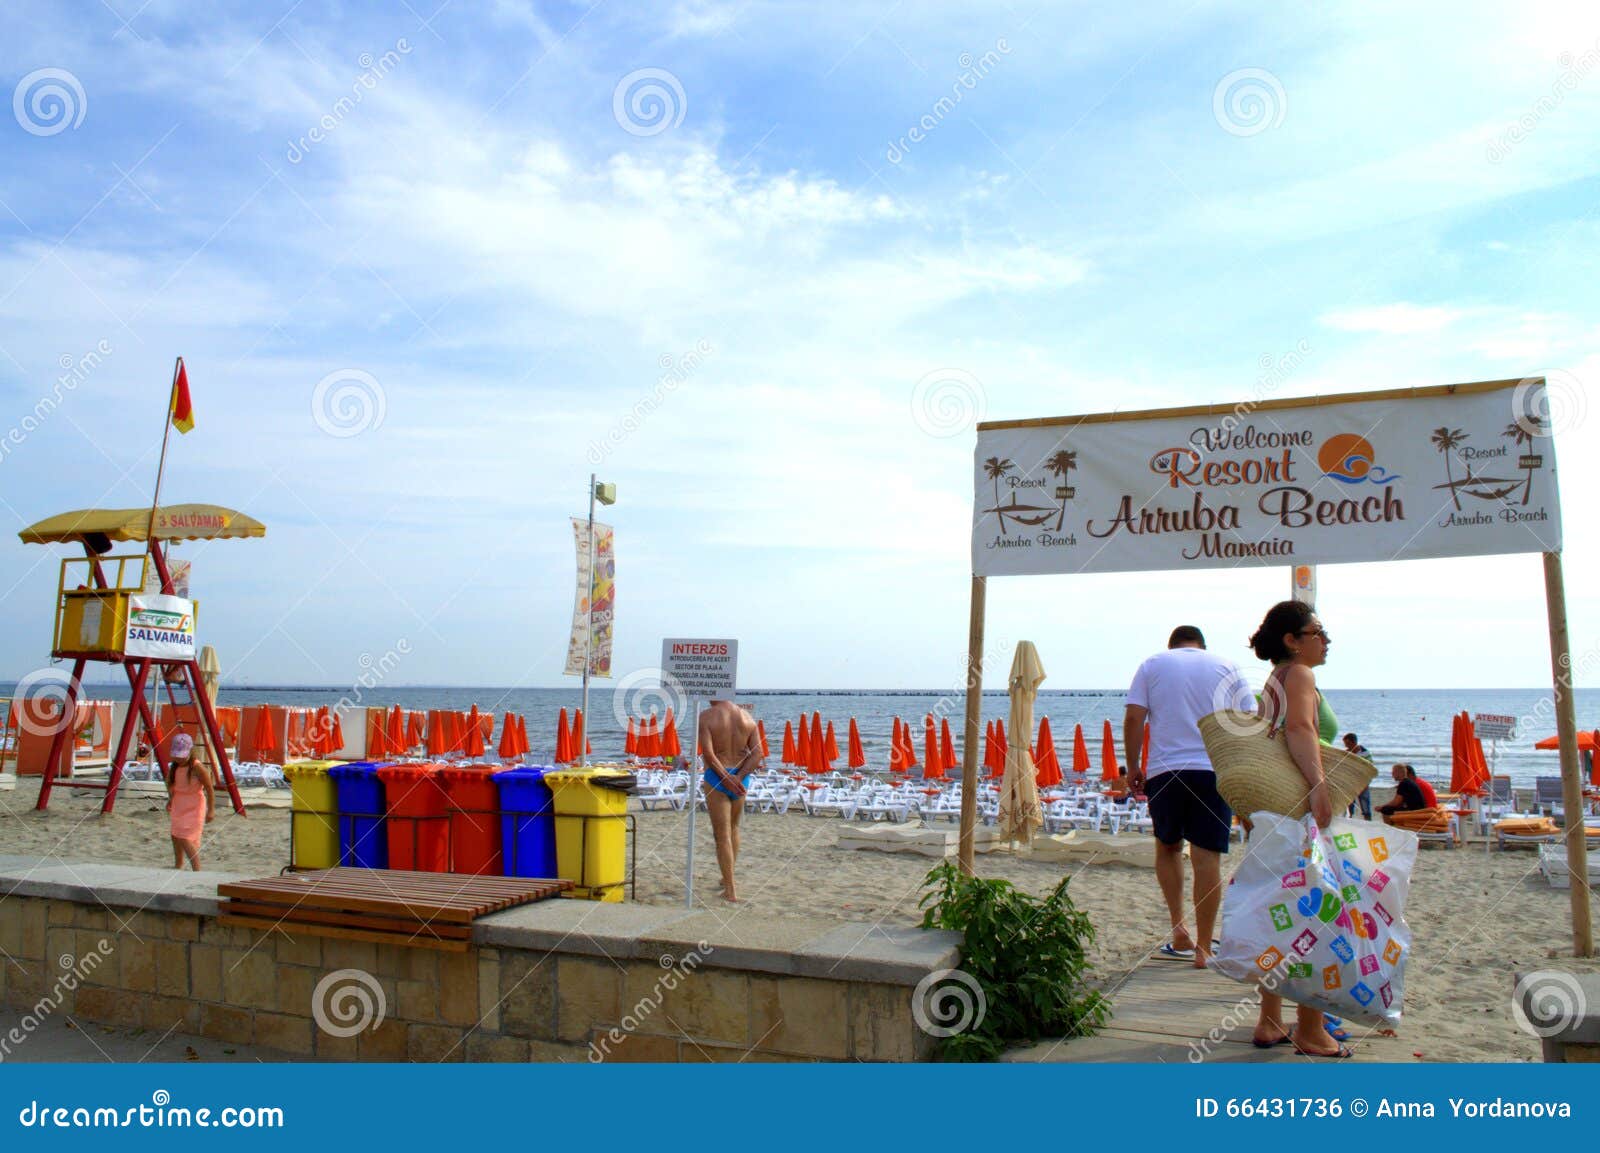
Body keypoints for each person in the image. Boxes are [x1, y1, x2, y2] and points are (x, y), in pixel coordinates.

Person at [1247, 599, 1349, 1058]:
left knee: (1280, 911)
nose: (1326, 641)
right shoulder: (1301, 675)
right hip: (1300, 806)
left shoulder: (1276, 678)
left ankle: (1270, 1020)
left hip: (1274, 808)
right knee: (1318, 911)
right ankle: (1310, 1028)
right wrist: (1319, 786)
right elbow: (1301, 730)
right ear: (1292, 640)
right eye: (1318, 633)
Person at [1125, 625, 1253, 972]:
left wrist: (1133, 765)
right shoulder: (1226, 665)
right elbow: (1248, 721)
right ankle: (1204, 947)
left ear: (1172, 646)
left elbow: (1135, 717)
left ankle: (1179, 930)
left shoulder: (1153, 664)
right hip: (1212, 769)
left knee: (1167, 848)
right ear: (1202, 646)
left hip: (1165, 770)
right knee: (1206, 857)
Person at [698, 697, 764, 903]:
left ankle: (730, 889)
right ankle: (727, 877)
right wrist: (738, 776)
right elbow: (758, 753)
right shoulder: (747, 717)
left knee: (722, 835)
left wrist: (726, 779)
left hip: (718, 776)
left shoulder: (707, 716)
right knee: (734, 829)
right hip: (741, 777)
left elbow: (709, 755)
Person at [164, 733, 215, 870]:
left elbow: (209, 789)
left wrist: (211, 810)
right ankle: (178, 864)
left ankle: (196, 868)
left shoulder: (196, 767)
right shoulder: (175, 767)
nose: (179, 759)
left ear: (190, 752)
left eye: (182, 756)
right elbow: (173, 785)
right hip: (179, 804)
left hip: (195, 805)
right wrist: (170, 800)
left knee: (185, 837)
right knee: (175, 835)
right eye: (176, 756)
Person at [1342, 732, 1372, 819]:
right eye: (1345, 743)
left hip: (1362, 781)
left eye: (1348, 743)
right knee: (1349, 804)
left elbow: (1370, 769)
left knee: (1365, 803)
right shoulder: (1346, 753)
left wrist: (1367, 783)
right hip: (1350, 781)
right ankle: (1349, 819)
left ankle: (1367, 820)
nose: (1346, 746)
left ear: (1354, 742)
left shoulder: (1365, 753)